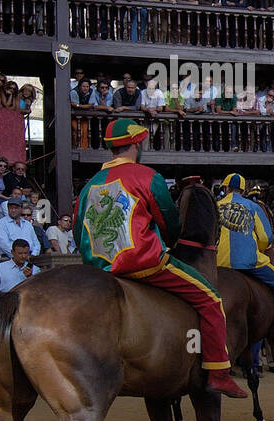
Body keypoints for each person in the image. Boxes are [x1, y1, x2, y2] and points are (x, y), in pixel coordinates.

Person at [75, 119, 246, 397]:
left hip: (98, 269)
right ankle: (219, 372)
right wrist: (171, 241)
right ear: (136, 144)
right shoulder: (147, 176)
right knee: (211, 299)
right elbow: (169, 222)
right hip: (143, 264)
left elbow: (77, 229)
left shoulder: (88, 186)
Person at [216, 173, 274, 341]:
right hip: (248, 262)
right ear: (243, 191)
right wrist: (257, 248)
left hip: (219, 264)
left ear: (225, 188)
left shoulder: (215, 206)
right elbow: (267, 238)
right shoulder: (253, 206)